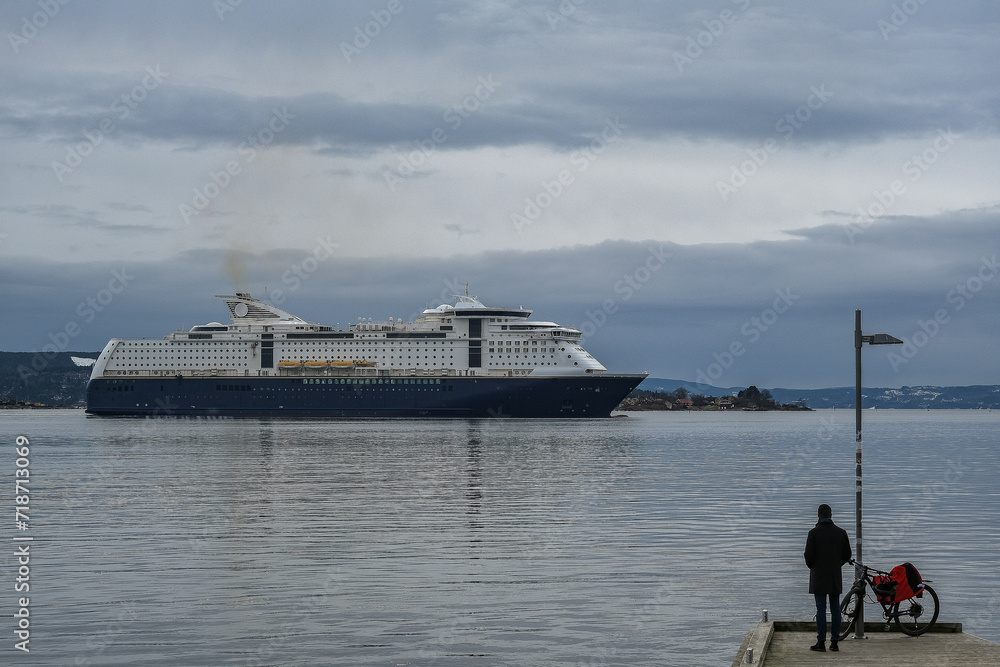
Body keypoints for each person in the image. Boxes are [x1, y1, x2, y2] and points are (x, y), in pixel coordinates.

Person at [804, 503, 852, 652]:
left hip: (818, 576)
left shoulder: (813, 533)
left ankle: (821, 641)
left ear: (818, 515)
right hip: (834, 575)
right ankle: (835, 642)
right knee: (835, 609)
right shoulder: (841, 533)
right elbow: (847, 555)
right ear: (831, 515)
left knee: (821, 609)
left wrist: (814, 567)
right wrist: (837, 564)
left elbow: (808, 556)